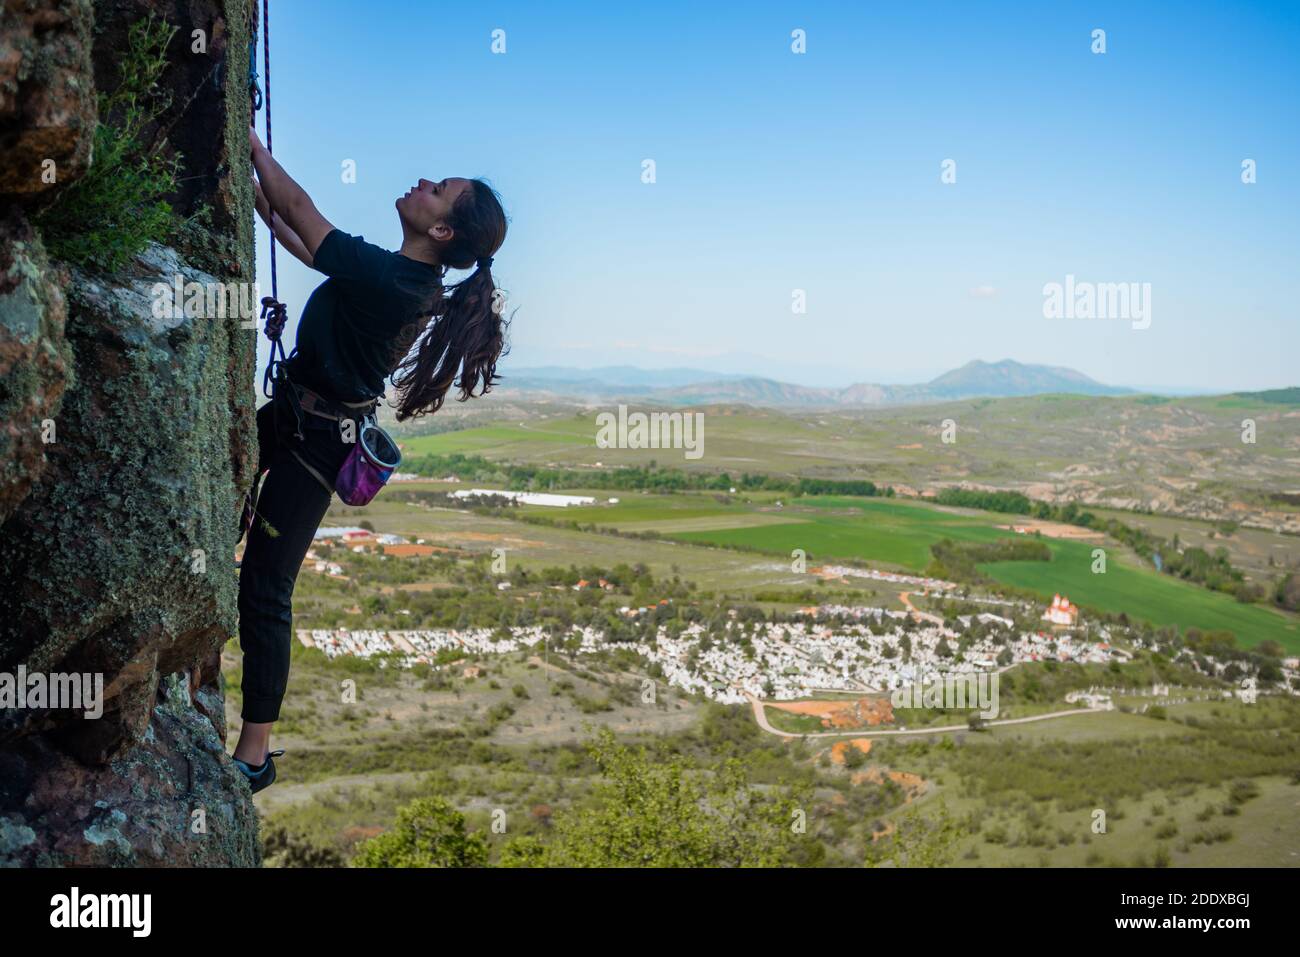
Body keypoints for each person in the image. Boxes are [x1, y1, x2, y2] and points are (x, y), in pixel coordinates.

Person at [234, 127, 508, 792]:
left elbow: (304, 218)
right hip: (302, 421)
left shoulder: (397, 281)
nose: (424, 182)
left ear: (443, 231)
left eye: (438, 191)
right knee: (228, 525)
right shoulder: (403, 277)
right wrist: (247, 187)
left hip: (314, 442)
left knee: (267, 587)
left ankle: (255, 754)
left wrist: (248, 145)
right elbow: (300, 242)